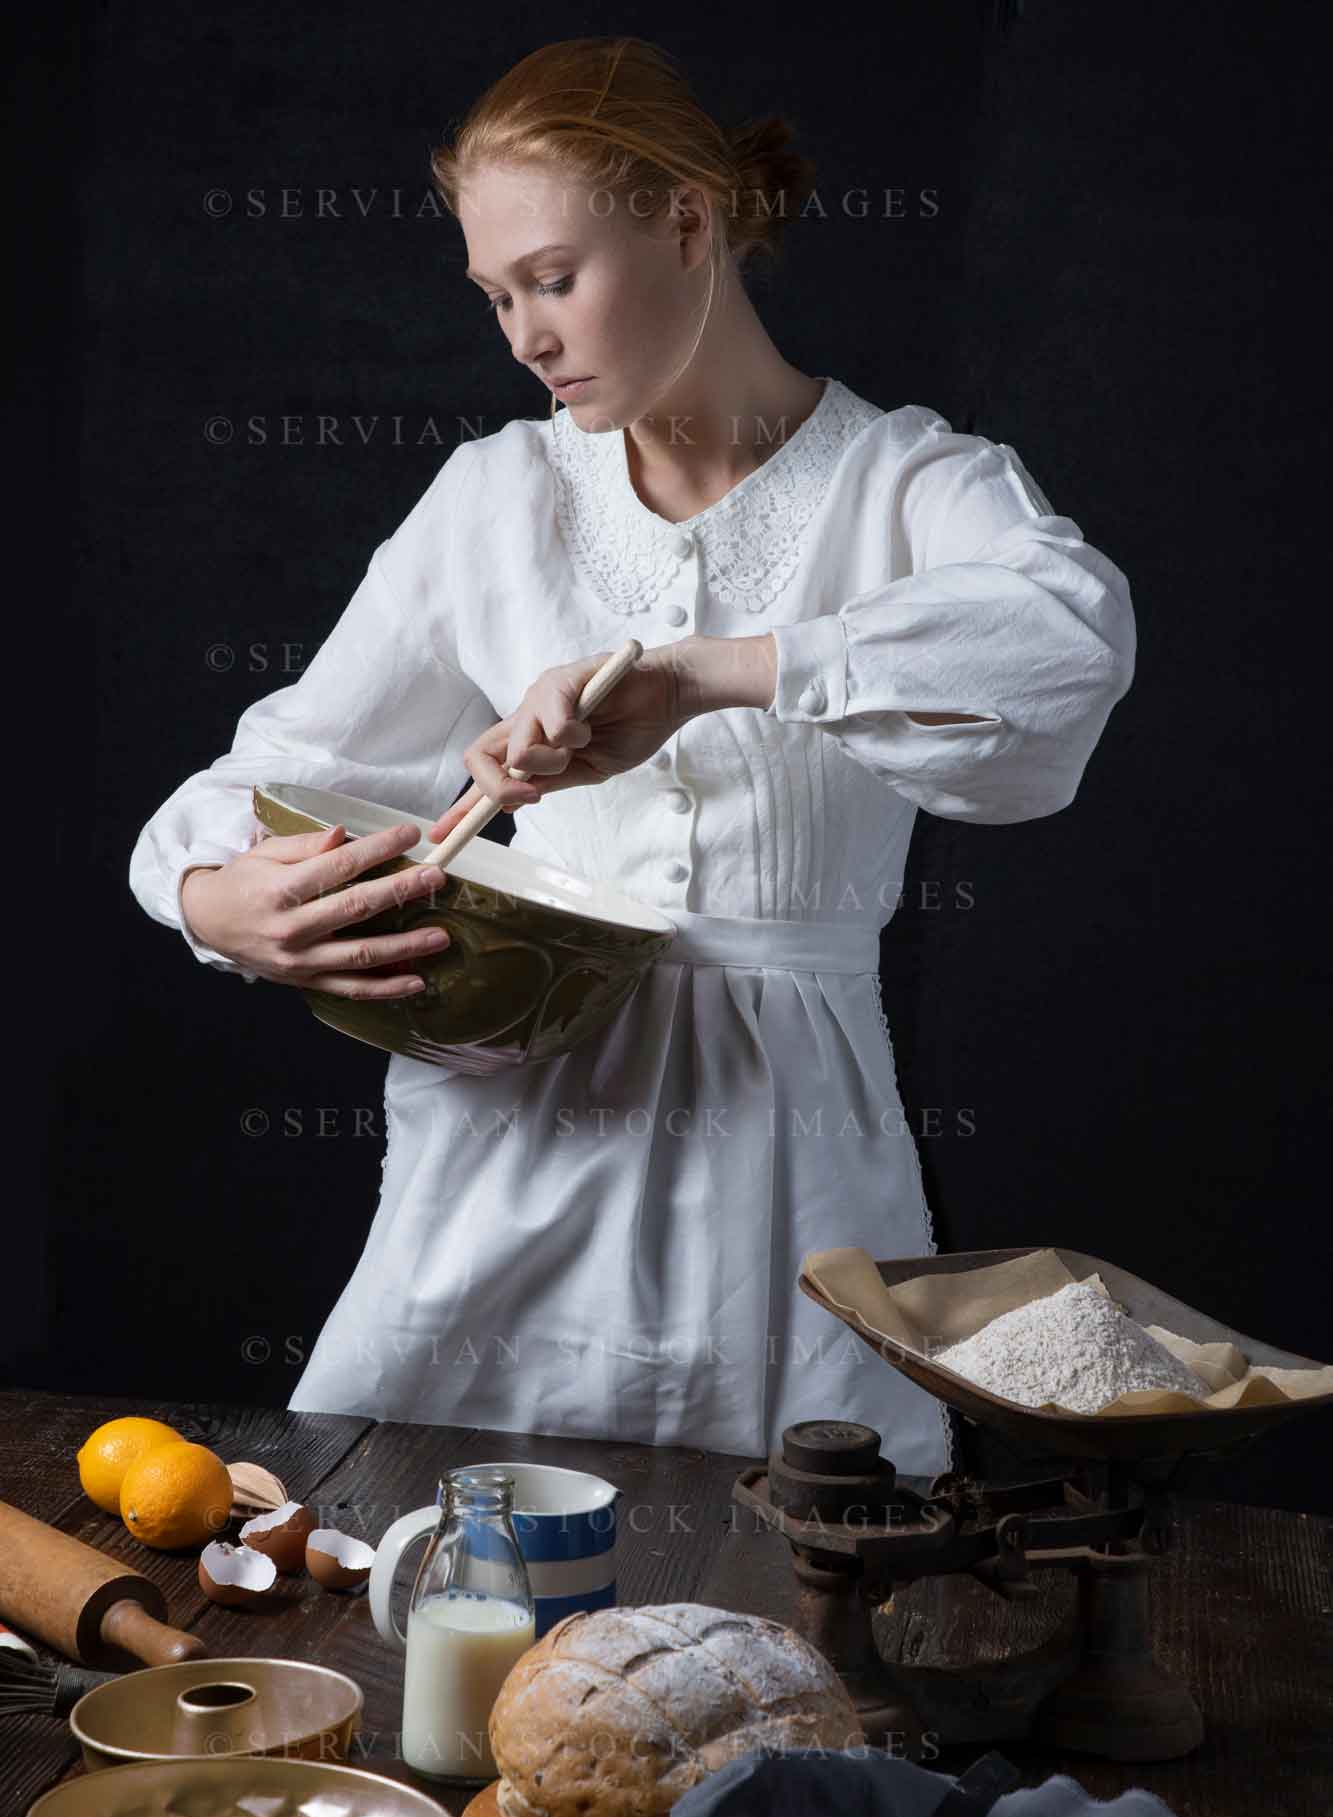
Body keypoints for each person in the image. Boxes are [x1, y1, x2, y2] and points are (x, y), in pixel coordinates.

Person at [129, 36, 1136, 1472]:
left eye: (552, 278)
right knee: (420, 1563)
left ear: (685, 219)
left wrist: (706, 675)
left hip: (789, 1162)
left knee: (785, 1588)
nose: (526, 337)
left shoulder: (910, 483)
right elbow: (259, 773)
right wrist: (213, 898)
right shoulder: (495, 498)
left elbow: (1062, 642)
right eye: (495, 297)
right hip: (511, 1139)